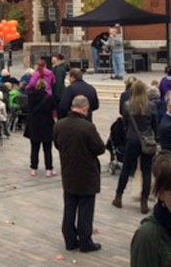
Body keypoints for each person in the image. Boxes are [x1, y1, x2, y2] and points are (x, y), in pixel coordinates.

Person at [53, 95, 106, 253]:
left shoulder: (59, 125)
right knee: (85, 209)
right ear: (85, 108)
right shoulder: (87, 127)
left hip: (68, 170)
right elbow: (99, 148)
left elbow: (57, 144)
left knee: (69, 207)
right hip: (86, 173)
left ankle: (69, 240)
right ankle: (85, 241)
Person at [113, 79, 158, 213]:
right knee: (146, 171)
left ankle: (118, 196)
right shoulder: (151, 106)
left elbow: (126, 123)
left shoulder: (128, 105)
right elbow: (155, 125)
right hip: (147, 140)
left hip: (132, 139)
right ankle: (144, 201)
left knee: (126, 169)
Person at [26, 78, 56, 177]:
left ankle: (33, 168)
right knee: (47, 148)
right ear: (45, 87)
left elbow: (29, 109)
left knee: (34, 147)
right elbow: (53, 108)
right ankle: (49, 169)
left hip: (34, 125)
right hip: (46, 124)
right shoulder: (49, 97)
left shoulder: (30, 96)